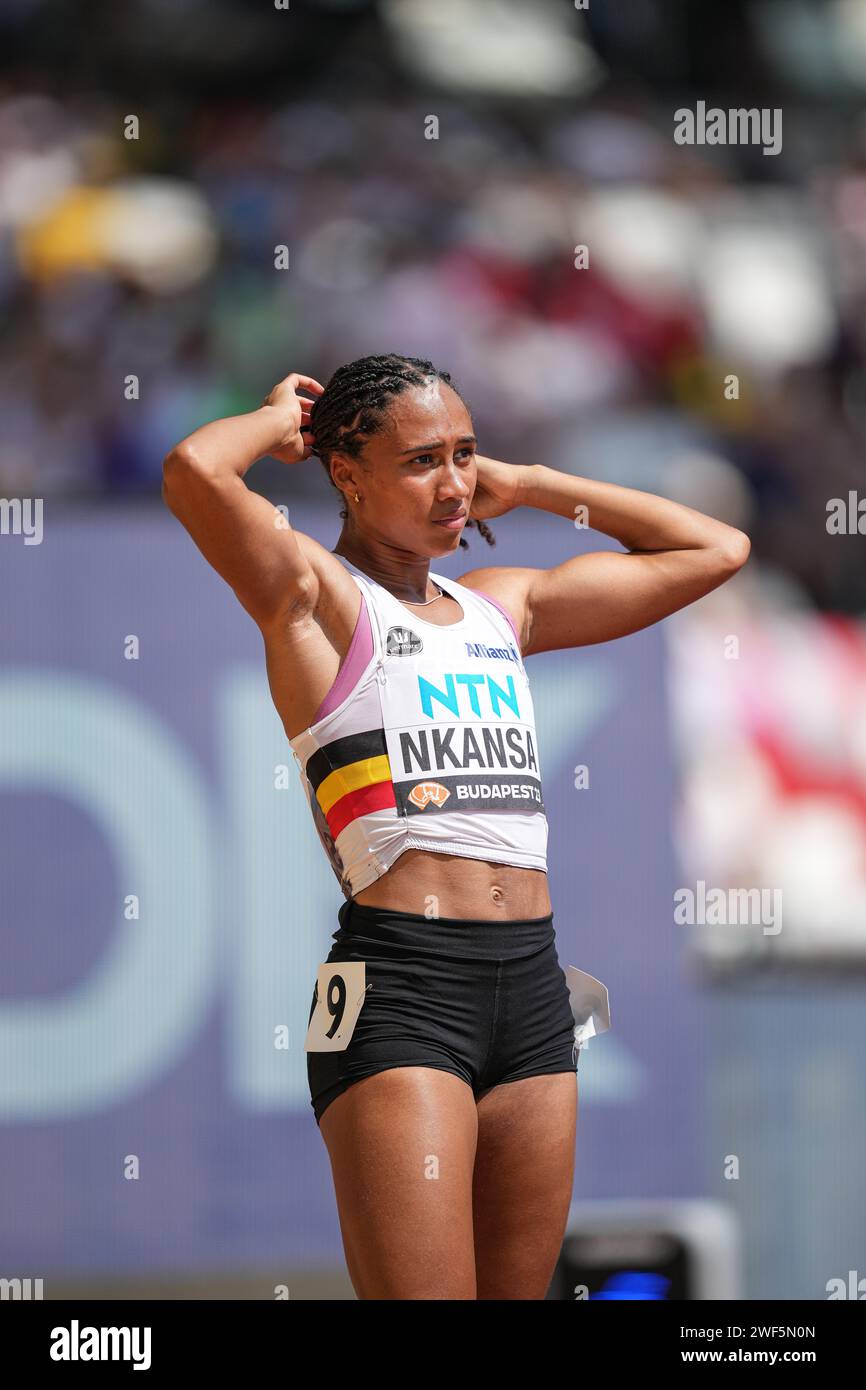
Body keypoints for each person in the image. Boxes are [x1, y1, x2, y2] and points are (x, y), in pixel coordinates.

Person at [162, 353, 750, 1299]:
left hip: (532, 989)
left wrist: (535, 485)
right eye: (422, 460)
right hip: (403, 988)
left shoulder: (501, 607)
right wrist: (277, 427)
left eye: (466, 455)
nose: (456, 484)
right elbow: (195, 471)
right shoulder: (315, 596)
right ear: (347, 475)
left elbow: (716, 550)